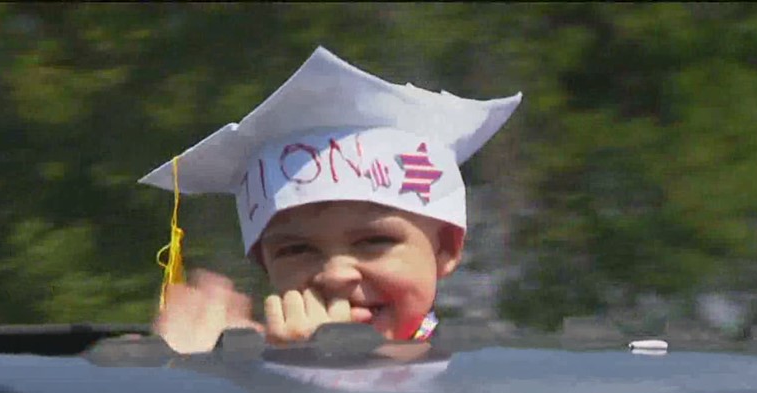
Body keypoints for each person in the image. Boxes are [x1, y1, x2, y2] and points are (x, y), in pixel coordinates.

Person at [140, 46, 522, 354]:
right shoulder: (246, 373)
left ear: (446, 248)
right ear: (264, 262)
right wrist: (193, 378)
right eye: (295, 249)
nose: (337, 274)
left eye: (375, 241)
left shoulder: (485, 383)